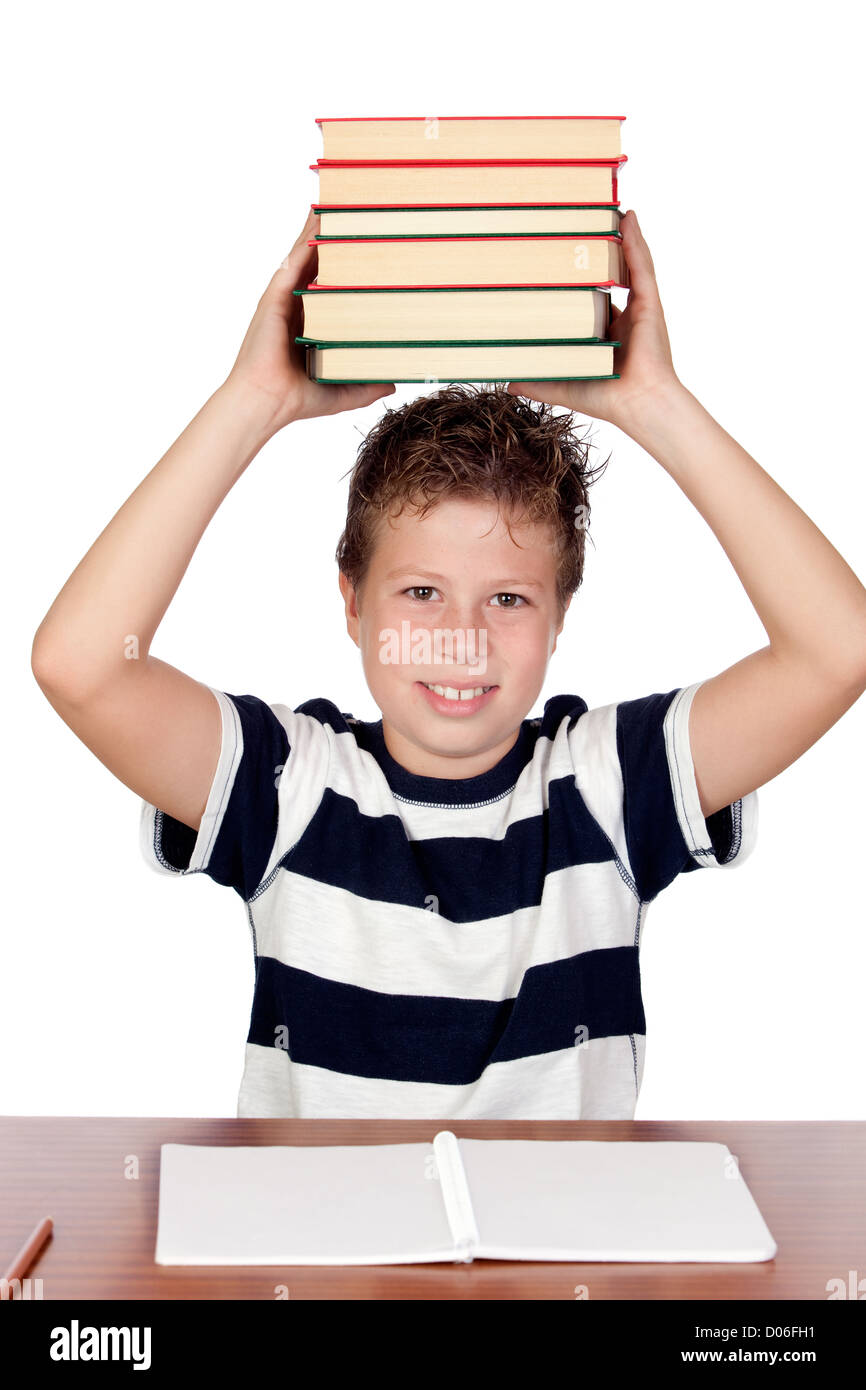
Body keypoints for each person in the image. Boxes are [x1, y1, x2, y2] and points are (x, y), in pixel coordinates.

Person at [30, 207, 866, 1118]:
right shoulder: (290, 783)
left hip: (558, 1256)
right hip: (321, 1256)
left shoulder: (607, 785)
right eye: (420, 593)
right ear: (351, 601)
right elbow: (82, 664)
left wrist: (652, 402)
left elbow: (837, 649)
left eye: (508, 599)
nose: (462, 638)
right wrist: (252, 402)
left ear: (560, 619)